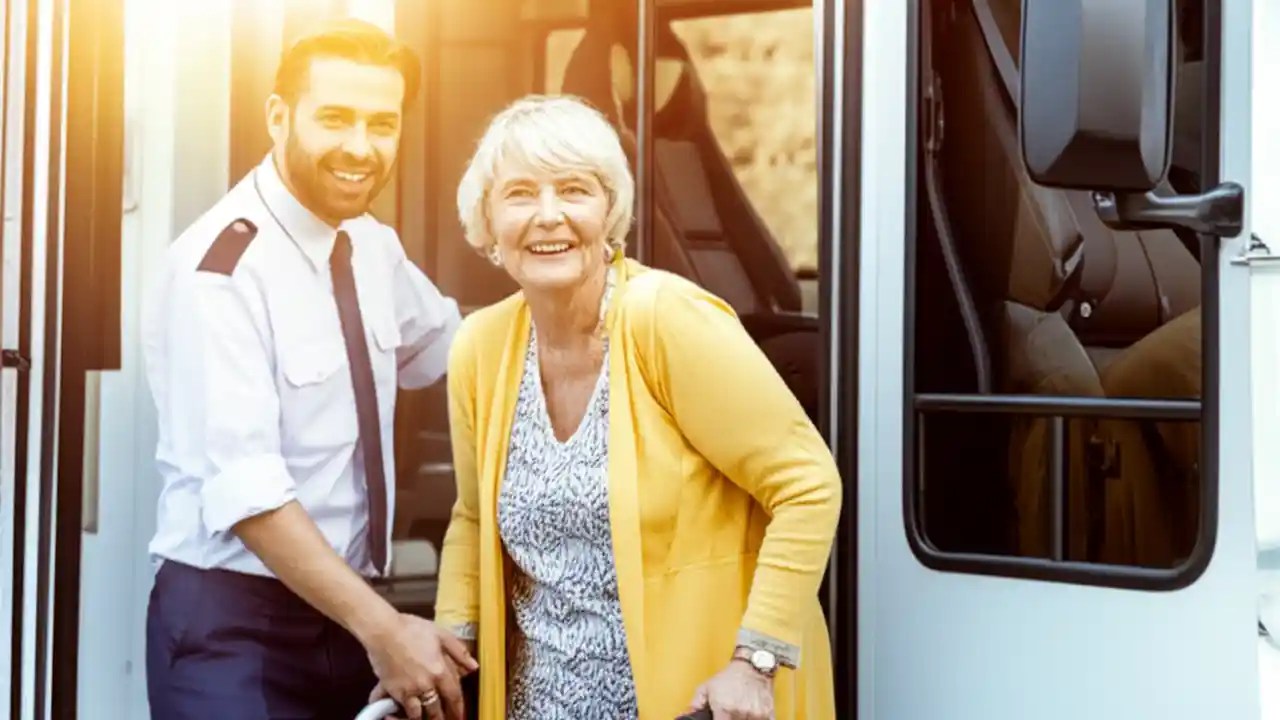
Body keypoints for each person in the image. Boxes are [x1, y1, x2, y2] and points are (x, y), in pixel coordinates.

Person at [420, 94, 842, 719]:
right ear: (487, 220)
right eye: (519, 194)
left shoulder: (665, 318)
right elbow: (473, 518)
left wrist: (755, 661)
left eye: (574, 190)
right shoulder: (481, 345)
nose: (548, 216)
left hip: (688, 705)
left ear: (609, 208)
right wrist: (448, 649)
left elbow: (807, 485)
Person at [141, 17, 475, 720]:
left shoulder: (370, 244)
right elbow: (250, 497)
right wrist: (385, 631)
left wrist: (587, 320)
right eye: (335, 119)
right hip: (235, 623)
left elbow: (455, 350)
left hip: (348, 613)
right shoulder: (220, 270)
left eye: (382, 123)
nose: (361, 147)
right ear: (277, 116)